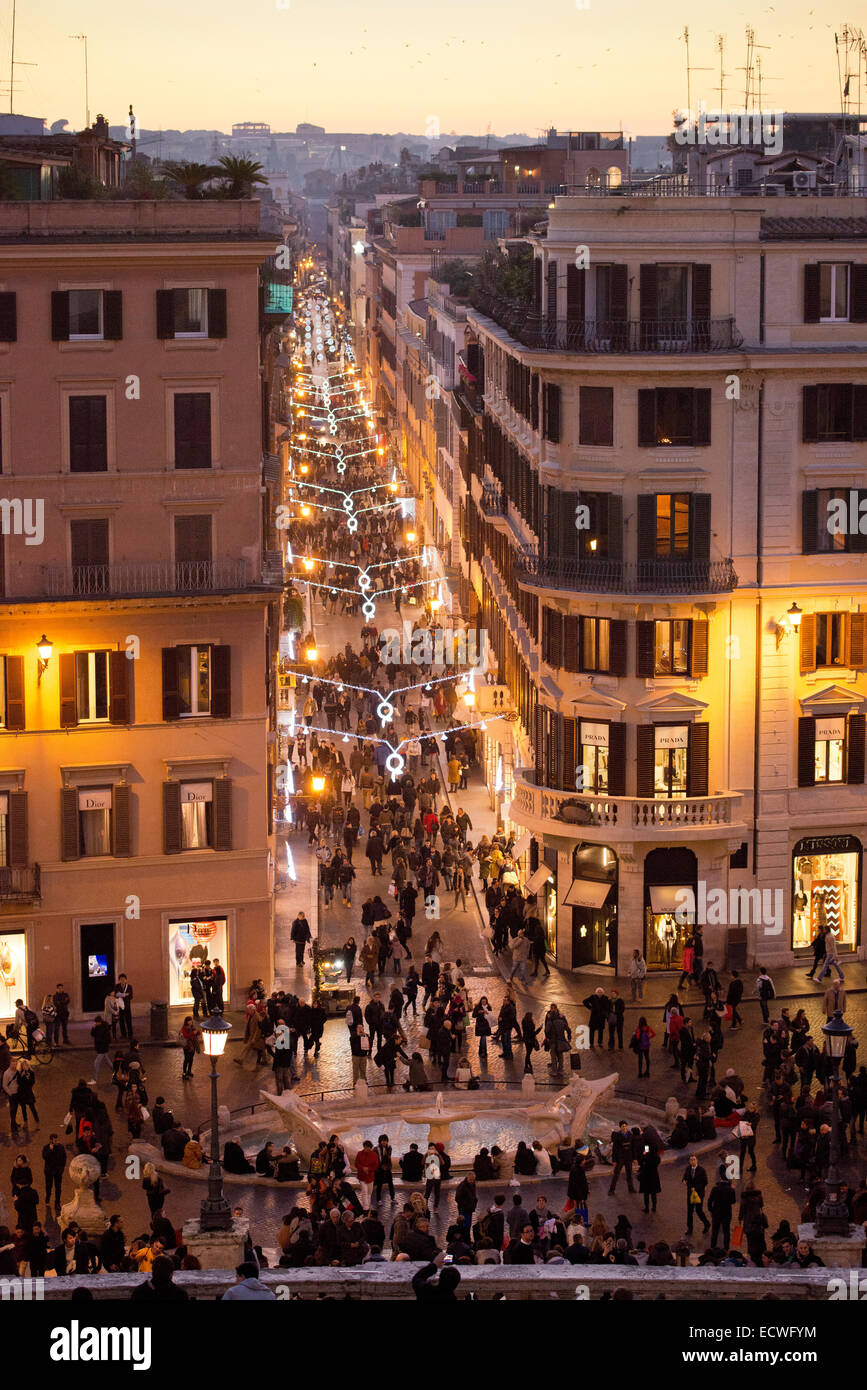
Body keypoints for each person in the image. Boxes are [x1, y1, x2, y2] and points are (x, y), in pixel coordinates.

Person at [708, 1171, 736, 1251]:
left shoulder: (715, 1188)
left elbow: (710, 1200)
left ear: (721, 1179)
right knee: (726, 1231)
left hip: (716, 1212)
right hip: (726, 1213)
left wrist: (711, 1210)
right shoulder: (731, 1190)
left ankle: (713, 1247)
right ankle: (726, 1248)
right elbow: (733, 1201)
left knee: (715, 1231)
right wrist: (732, 1190)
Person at [608, 1121, 635, 1196]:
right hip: (620, 1158)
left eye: (625, 1126)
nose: (624, 1127)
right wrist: (614, 1160)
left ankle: (631, 1188)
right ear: (620, 1127)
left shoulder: (630, 1135)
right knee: (616, 1174)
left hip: (628, 1157)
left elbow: (633, 1147)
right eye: (623, 1126)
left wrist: (634, 1158)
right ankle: (611, 1190)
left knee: (629, 1174)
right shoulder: (617, 1136)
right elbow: (614, 1149)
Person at [42, 1135, 66, 1214]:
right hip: (49, 1171)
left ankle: (57, 1203)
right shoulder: (46, 1147)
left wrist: (62, 1169)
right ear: (51, 1140)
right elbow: (44, 1157)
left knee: (58, 1187)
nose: (56, 1142)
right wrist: (50, 1150)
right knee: (48, 1186)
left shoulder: (61, 1147)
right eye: (55, 1140)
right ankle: (48, 1197)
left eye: (57, 1140)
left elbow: (64, 1158)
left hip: (58, 1171)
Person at [423, 1143, 442, 1210]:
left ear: (435, 1149)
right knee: (427, 1192)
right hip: (430, 1177)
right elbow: (422, 1163)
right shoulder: (427, 1157)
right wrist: (425, 1155)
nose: (432, 1150)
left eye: (433, 1149)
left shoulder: (438, 1156)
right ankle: (425, 1206)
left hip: (437, 1177)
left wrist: (438, 1155)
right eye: (430, 1149)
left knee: (437, 1193)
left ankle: (435, 1207)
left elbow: (443, 1163)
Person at [115, 974, 134, 1040]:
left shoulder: (129, 987)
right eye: (121, 979)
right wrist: (125, 994)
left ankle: (130, 1034)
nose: (122, 980)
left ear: (126, 980)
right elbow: (116, 995)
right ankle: (123, 1034)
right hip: (120, 1006)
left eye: (123, 979)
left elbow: (131, 996)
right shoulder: (117, 986)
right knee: (121, 1021)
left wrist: (121, 995)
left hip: (127, 1006)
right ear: (119, 980)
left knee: (128, 1020)